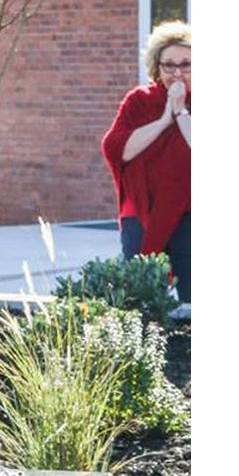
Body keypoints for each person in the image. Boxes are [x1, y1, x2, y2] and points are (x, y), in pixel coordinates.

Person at [100, 21, 191, 303]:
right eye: (168, 65)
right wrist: (164, 119)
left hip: (189, 212)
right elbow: (117, 149)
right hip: (139, 213)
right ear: (156, 67)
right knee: (141, 300)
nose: (177, 73)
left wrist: (181, 113)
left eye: (186, 65)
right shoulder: (139, 101)